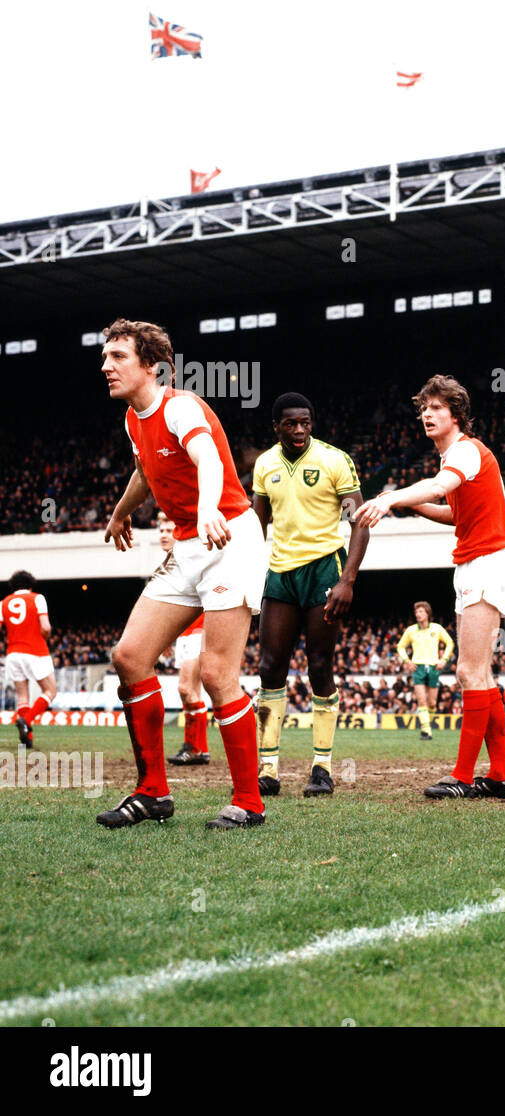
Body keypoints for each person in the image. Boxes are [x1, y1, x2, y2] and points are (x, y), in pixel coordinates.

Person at [98, 318, 266, 830]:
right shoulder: (133, 419)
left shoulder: (181, 405)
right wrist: (122, 510)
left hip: (229, 538)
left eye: (118, 357)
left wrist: (212, 508)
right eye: (105, 358)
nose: (106, 366)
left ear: (152, 365)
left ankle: (249, 803)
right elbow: (147, 472)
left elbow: (209, 459)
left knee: (217, 675)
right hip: (190, 547)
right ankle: (152, 792)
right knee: (129, 656)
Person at [355, 375, 505, 801]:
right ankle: (502, 776)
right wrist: (409, 505)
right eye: (424, 408)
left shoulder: (465, 451)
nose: (427, 414)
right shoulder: (459, 457)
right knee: (480, 672)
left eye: (436, 407)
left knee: (468, 672)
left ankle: (463, 777)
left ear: (456, 415)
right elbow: (454, 513)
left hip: (487, 562)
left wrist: (392, 497)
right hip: (473, 561)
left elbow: (440, 486)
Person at [252, 392, 370, 799]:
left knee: (319, 665)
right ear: (276, 427)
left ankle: (322, 768)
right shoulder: (265, 464)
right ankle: (267, 769)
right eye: (290, 424)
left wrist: (348, 580)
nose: (300, 430)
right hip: (281, 573)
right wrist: (248, 574)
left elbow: (360, 521)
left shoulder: (335, 459)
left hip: (324, 568)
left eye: (305, 422)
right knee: (269, 667)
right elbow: (256, 524)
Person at [157, 514, 210, 766]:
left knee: (185, 689)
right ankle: (198, 748)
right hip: (185, 634)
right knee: (190, 692)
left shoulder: (192, 559)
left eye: (169, 530)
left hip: (200, 632)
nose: (164, 535)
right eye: (161, 530)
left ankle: (195, 747)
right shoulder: (171, 564)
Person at [2, 571, 57, 749]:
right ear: (30, 585)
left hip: (13, 653)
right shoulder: (37, 598)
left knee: (22, 696)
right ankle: (26, 719)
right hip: (35, 651)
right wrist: (45, 636)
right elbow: (46, 627)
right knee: (50, 691)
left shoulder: (3, 603)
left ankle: (28, 738)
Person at [396, 600, 455, 739]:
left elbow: (450, 643)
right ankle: (426, 731)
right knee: (421, 701)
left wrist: (444, 660)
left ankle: (427, 724)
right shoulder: (411, 630)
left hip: (434, 667)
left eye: (421, 611)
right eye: (416, 612)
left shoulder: (437, 628)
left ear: (427, 613)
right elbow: (400, 646)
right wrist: (407, 661)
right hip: (419, 667)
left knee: (432, 703)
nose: (418, 614)